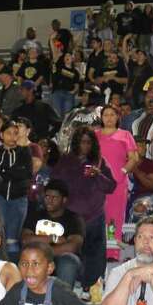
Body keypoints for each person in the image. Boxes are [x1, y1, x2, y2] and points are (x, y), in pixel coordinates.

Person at [50, 125, 116, 292]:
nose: (85, 146)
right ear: (75, 143)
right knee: (70, 255)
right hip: (72, 216)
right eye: (81, 142)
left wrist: (98, 174)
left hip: (95, 215)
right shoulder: (65, 161)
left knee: (95, 255)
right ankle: (68, 287)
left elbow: (111, 186)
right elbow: (55, 184)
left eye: (88, 142)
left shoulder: (100, 162)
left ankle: (91, 287)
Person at [21, 179, 85, 289]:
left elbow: (73, 246)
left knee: (68, 261)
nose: (49, 201)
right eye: (47, 196)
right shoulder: (36, 215)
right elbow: (25, 240)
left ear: (64, 200)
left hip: (61, 258)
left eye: (54, 198)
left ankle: (62, 302)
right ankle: (26, 300)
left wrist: (44, 253)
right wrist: (53, 238)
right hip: (36, 258)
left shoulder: (74, 219)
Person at [96, 103, 139, 261]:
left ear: (118, 117)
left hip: (118, 182)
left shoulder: (125, 135)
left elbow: (134, 158)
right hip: (97, 183)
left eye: (112, 115)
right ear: (101, 117)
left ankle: (112, 251)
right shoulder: (94, 135)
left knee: (114, 217)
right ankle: (98, 249)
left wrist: (122, 172)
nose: (109, 118)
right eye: (106, 115)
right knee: (97, 215)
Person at [0, 119, 33, 260]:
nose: (13, 137)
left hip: (18, 198)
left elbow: (27, 174)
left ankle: (13, 269)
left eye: (16, 133)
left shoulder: (24, 151)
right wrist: (13, 171)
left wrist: (4, 171)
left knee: (13, 238)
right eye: (9, 133)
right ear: (1, 135)